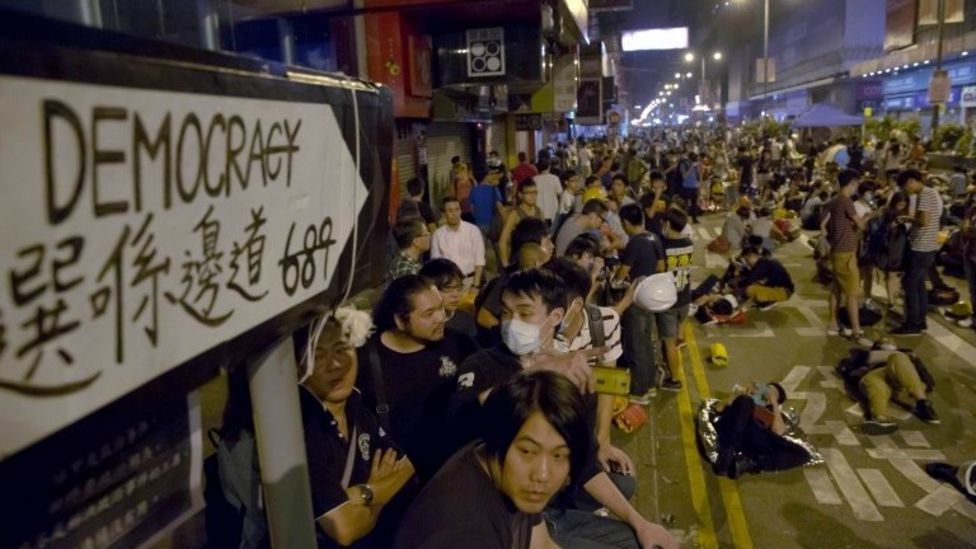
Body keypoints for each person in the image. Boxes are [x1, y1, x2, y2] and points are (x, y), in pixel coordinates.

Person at [452, 270, 678, 549]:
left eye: (525, 313)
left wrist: (640, 522)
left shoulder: (571, 372)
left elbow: (584, 465)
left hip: (547, 507)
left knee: (635, 532)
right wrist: (533, 371)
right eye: (507, 313)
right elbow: (462, 418)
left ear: (556, 317)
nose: (511, 323)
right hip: (504, 516)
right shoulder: (481, 364)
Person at [394, 371, 589, 549]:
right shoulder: (465, 530)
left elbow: (541, 545)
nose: (542, 475)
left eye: (558, 455)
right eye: (528, 451)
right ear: (498, 437)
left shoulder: (514, 479)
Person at [296, 307, 416, 548]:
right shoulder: (302, 431)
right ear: (299, 368)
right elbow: (344, 530)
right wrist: (377, 493)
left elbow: (406, 470)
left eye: (342, 349)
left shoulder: (357, 408)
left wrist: (364, 493)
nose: (335, 364)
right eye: (318, 355)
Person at [360, 275, 471, 481]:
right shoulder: (366, 362)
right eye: (429, 313)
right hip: (404, 483)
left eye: (440, 307)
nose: (441, 317)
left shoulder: (459, 344)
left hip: (452, 473)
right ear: (400, 320)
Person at [615, 203, 665, 403]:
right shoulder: (654, 238)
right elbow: (661, 267)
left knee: (635, 344)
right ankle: (650, 384)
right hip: (651, 298)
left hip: (636, 298)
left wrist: (619, 279)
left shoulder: (635, 242)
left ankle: (638, 391)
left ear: (626, 223)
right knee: (645, 342)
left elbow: (622, 272)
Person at [836, 340, 939, 434]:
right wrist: (859, 369)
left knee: (898, 358)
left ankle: (922, 403)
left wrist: (920, 386)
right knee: (873, 379)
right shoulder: (865, 356)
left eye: (890, 340)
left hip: (906, 384)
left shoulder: (906, 355)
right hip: (877, 381)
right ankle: (880, 419)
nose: (888, 340)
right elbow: (845, 370)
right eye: (884, 340)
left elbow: (928, 381)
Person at [712, 382, 809, 479]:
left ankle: (749, 464)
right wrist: (737, 396)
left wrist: (774, 403)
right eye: (766, 389)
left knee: (803, 454)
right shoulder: (744, 400)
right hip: (735, 426)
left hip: (755, 433)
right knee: (746, 401)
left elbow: (778, 431)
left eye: (772, 393)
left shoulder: (773, 414)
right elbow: (718, 408)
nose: (766, 393)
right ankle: (727, 454)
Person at [821, 169, 871, 345]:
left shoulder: (833, 201)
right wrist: (870, 215)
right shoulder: (846, 201)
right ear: (852, 183)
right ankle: (856, 330)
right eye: (856, 184)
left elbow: (824, 225)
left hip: (836, 251)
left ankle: (833, 323)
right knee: (852, 293)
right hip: (846, 253)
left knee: (836, 288)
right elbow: (861, 225)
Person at [893, 169, 944, 335]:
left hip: (921, 247)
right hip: (928, 247)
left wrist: (908, 219)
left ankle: (913, 322)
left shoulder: (925, 195)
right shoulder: (931, 193)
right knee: (919, 284)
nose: (905, 191)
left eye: (904, 187)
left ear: (911, 182)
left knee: (909, 282)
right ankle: (920, 320)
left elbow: (923, 221)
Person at [430, 196, 486, 290]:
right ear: (444, 213)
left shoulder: (473, 230)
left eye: (457, 209)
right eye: (450, 211)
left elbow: (479, 260)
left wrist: (475, 286)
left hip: (470, 281)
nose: (455, 213)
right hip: (447, 284)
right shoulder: (438, 235)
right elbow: (436, 264)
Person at [420, 258, 478, 345]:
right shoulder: (420, 322)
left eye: (458, 288)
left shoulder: (466, 321)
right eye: (448, 288)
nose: (455, 295)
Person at [498, 179, 544, 267]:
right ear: (520, 195)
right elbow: (502, 242)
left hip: (537, 261)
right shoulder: (515, 214)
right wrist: (506, 265)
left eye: (534, 192)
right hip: (519, 261)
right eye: (528, 193)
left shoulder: (539, 212)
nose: (532, 196)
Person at [470, 167, 505, 236]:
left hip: (479, 222)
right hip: (492, 223)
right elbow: (500, 208)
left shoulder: (473, 190)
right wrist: (504, 221)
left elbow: (471, 208)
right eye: (489, 175)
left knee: (482, 245)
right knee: (496, 244)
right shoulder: (493, 189)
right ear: (486, 177)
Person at [960, 194, 976, 329]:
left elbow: (968, 230)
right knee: (973, 289)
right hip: (970, 253)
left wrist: (969, 230)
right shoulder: (972, 209)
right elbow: (964, 229)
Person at [533, 159, 563, 228]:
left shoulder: (534, 179)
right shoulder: (555, 178)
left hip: (538, 211)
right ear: (549, 167)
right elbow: (560, 194)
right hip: (552, 211)